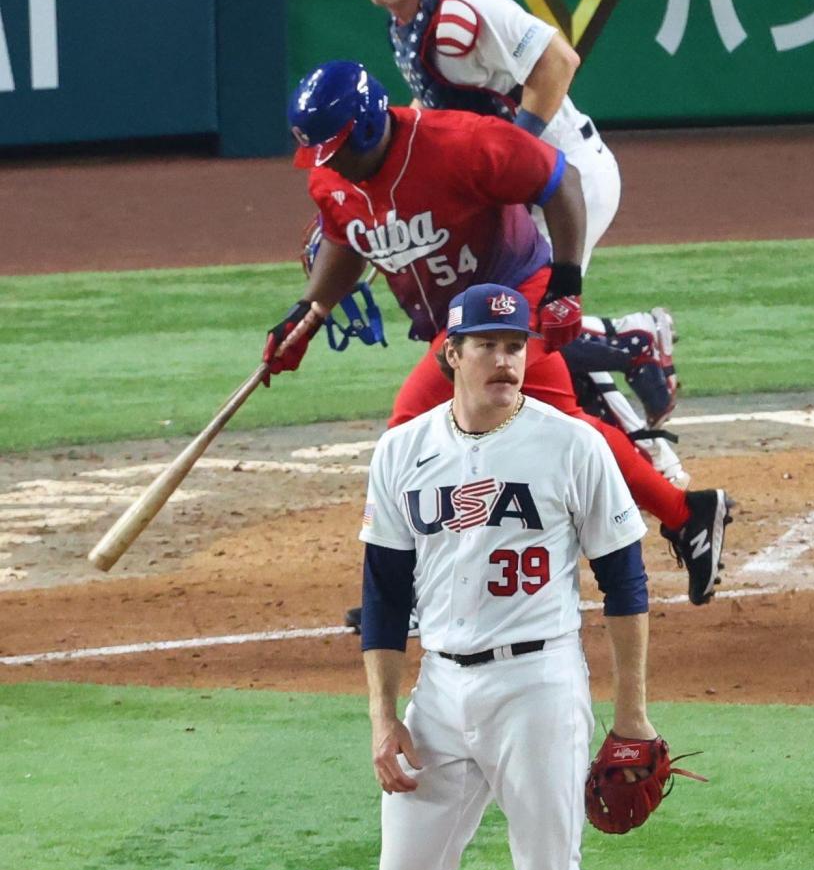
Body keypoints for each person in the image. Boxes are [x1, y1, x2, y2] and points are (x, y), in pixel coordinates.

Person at [265, 59, 733, 609]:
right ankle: (687, 514)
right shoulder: (331, 176)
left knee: (411, 430)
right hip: (456, 320)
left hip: (512, 294)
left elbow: (560, 179)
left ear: (367, 126)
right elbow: (345, 236)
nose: (329, 164)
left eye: (336, 148)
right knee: (571, 426)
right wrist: (308, 313)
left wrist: (565, 284)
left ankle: (410, 589)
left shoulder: (459, 142)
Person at [342, 0, 687, 483]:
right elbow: (431, 107)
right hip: (525, 192)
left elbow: (558, 61)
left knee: (522, 328)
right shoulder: (405, 24)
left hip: (566, 180)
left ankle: (634, 339)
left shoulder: (465, 9)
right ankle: (651, 456)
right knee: (534, 339)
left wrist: (513, 153)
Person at [359, 280, 659, 870]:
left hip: (538, 689)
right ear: (453, 353)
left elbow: (625, 583)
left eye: (515, 346)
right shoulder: (400, 452)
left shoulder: (573, 445)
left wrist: (633, 714)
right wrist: (384, 717)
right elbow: (384, 595)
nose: (505, 361)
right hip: (438, 692)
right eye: (487, 345)